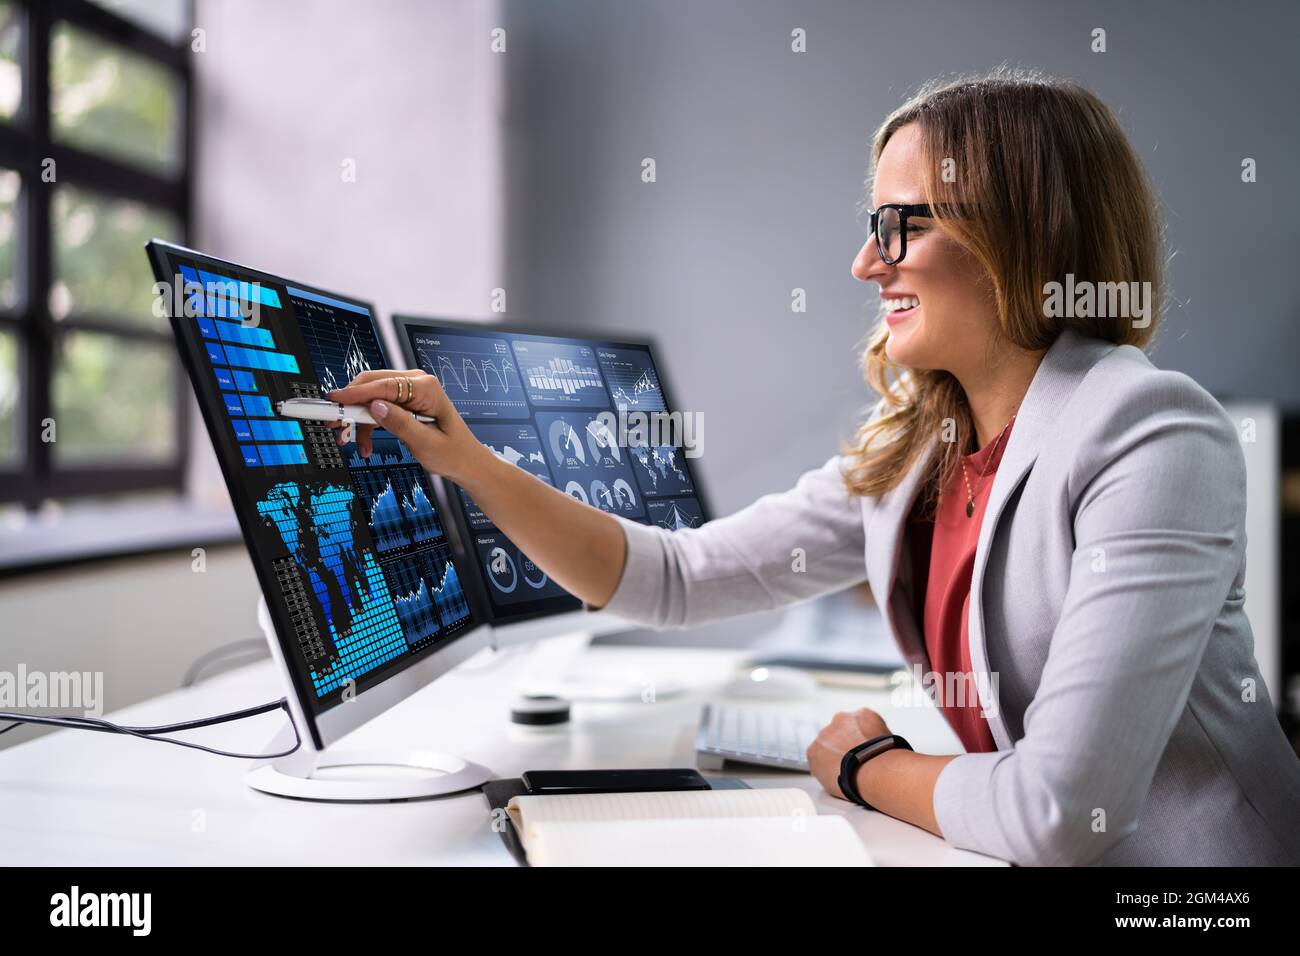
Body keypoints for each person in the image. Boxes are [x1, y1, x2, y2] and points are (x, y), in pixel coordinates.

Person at [329, 69, 1300, 866]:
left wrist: (866, 762)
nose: (862, 266)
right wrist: (464, 461)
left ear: (1022, 230)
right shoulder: (923, 443)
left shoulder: (1151, 432)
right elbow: (673, 576)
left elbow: (1056, 810)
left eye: (897, 226)